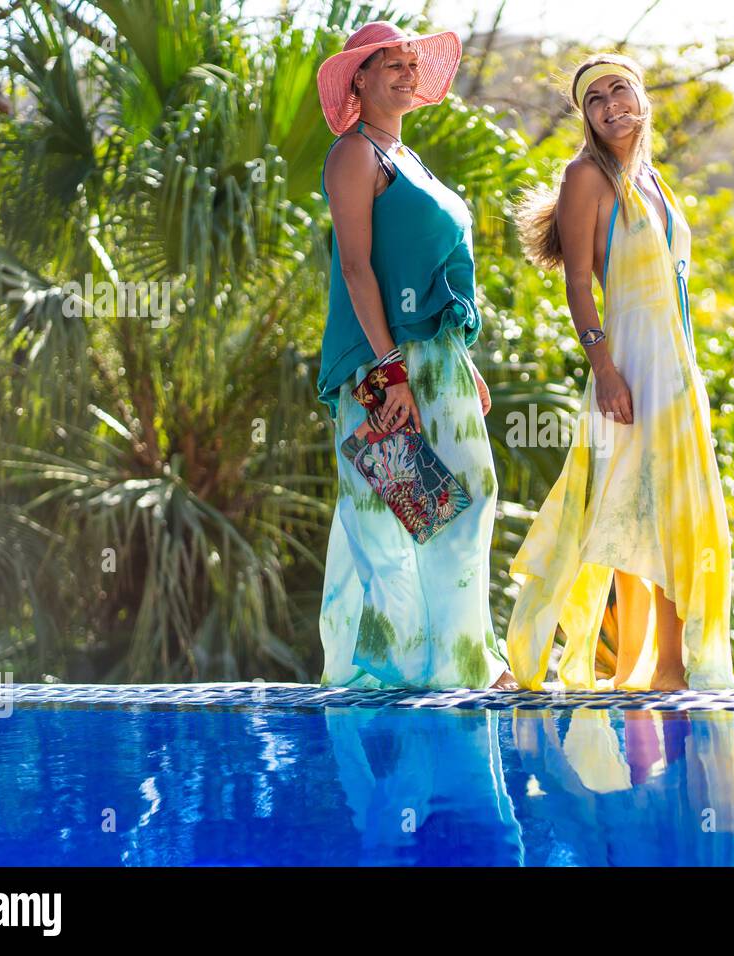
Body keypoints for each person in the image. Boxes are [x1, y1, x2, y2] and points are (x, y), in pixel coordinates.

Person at [507, 54, 734, 691]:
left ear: (641, 97)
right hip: (628, 369)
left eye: (619, 90)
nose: (610, 105)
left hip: (675, 370)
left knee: (673, 514)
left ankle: (670, 666)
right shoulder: (586, 176)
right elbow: (578, 281)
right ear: (585, 117)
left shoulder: (656, 181)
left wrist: (688, 373)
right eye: (595, 99)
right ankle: (590, 658)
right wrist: (604, 369)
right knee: (617, 513)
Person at [315, 20, 516, 689]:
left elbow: (431, 273)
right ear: (360, 80)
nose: (405, 72)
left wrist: (463, 363)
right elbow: (356, 270)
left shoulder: (410, 159)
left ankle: (459, 664)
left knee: (468, 499)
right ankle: (406, 674)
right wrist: (389, 373)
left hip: (440, 363)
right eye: (389, 64)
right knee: (401, 520)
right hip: (384, 369)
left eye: (410, 63)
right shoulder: (355, 156)